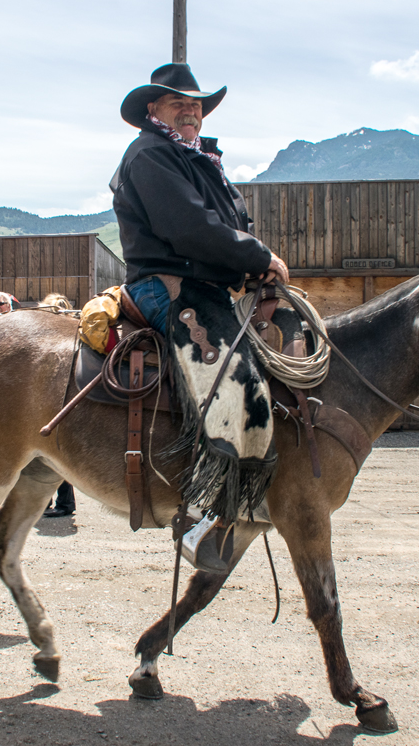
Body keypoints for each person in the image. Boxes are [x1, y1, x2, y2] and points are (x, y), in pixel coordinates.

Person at [110, 63, 289, 571]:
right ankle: (199, 517)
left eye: (197, 104)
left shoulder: (196, 158)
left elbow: (224, 224)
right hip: (168, 285)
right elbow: (188, 228)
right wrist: (257, 256)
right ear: (153, 110)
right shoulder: (150, 155)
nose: (191, 109)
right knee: (238, 382)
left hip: (205, 286)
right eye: (177, 103)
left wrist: (251, 269)